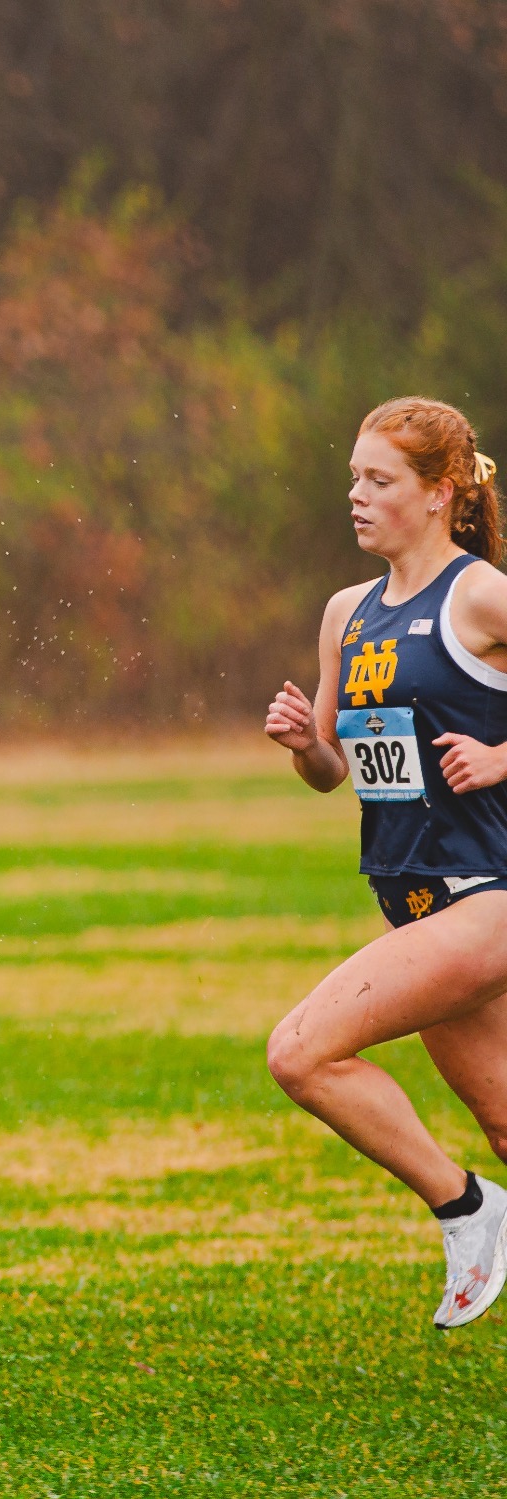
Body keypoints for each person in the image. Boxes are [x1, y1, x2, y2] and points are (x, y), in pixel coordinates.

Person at [265, 396, 507, 1330]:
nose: (357, 496)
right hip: (412, 902)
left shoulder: (478, 595)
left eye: (380, 480)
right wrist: (304, 742)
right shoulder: (347, 612)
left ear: (439, 492)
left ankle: (467, 1208)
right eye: (353, 479)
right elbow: (334, 772)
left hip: (485, 895)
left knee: (301, 1052)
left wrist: (500, 756)